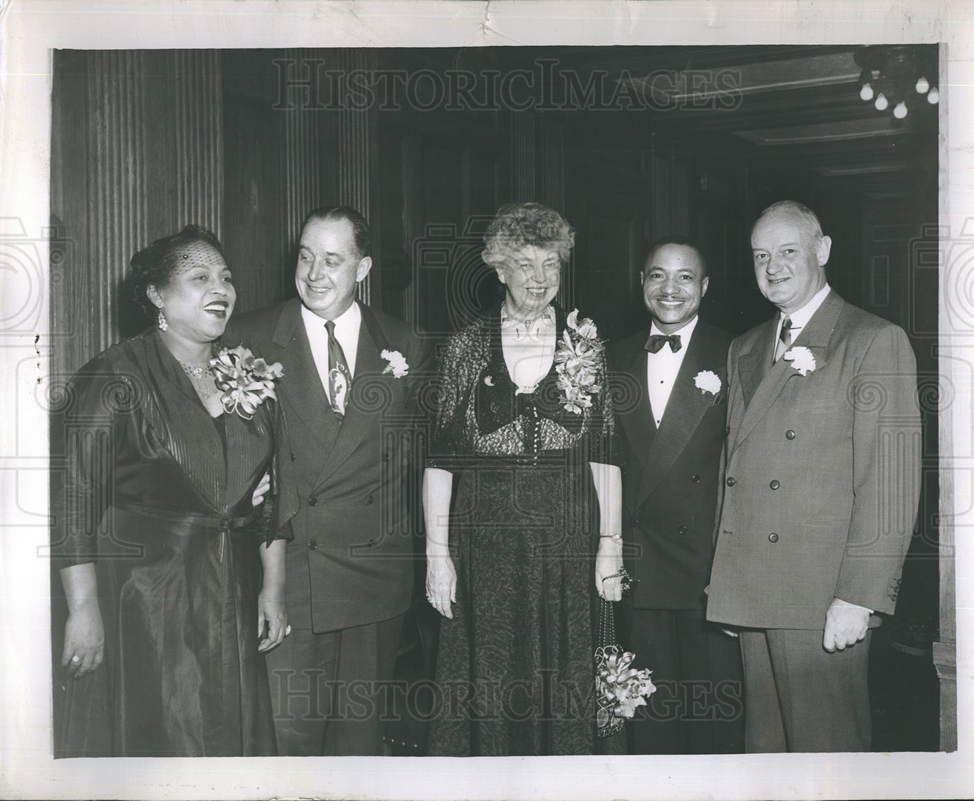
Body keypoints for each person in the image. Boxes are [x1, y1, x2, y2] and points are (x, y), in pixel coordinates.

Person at [53, 225, 289, 757]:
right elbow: (73, 507)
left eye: (226, 277)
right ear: (157, 295)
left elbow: (273, 495)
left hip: (233, 588)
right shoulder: (112, 376)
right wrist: (83, 610)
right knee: (170, 739)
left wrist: (272, 589)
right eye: (200, 277)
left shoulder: (249, 374)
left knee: (237, 742)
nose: (221, 289)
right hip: (152, 598)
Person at [706, 200, 921, 752]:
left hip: (822, 594)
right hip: (755, 587)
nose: (772, 266)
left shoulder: (872, 339)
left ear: (822, 251)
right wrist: (727, 584)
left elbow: (890, 483)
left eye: (788, 251)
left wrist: (860, 596)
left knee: (828, 756)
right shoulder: (746, 347)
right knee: (768, 752)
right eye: (760, 255)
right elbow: (734, 470)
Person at [226, 206, 431, 756]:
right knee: (288, 741)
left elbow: (421, 459)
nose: (315, 273)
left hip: (376, 580)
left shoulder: (405, 341)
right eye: (305, 256)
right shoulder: (249, 339)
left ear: (362, 268)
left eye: (332, 260)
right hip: (293, 578)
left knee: (358, 746)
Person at [424, 202, 624, 756]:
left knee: (564, 680)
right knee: (490, 672)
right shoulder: (465, 346)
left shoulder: (584, 341)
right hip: (484, 541)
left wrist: (610, 546)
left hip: (566, 541)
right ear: (499, 268)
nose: (540, 280)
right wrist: (437, 558)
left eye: (551, 265)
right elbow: (441, 460)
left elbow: (605, 452)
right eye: (526, 265)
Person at [608, 237, 744, 754]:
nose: (670, 288)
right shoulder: (610, 357)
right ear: (641, 283)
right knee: (649, 717)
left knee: (714, 716)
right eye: (656, 275)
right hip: (637, 566)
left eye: (685, 277)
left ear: (704, 287)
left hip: (708, 568)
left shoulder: (737, 353)